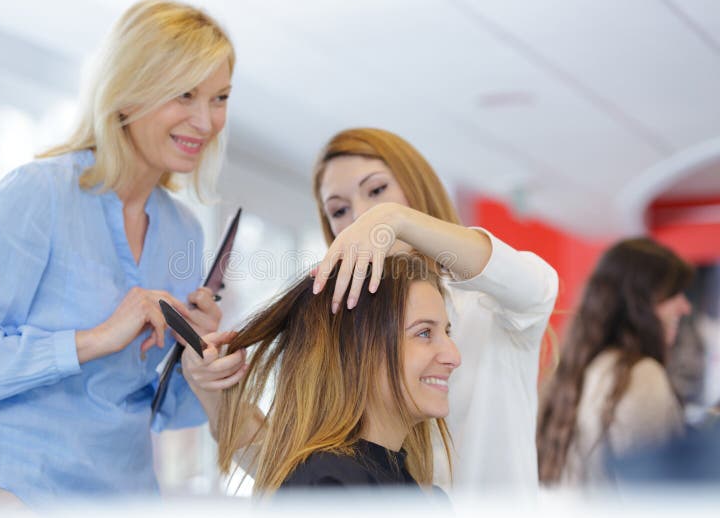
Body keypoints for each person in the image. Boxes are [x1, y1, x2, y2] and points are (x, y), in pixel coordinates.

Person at [0, 0, 233, 513]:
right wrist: (94, 339)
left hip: (125, 495)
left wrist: (196, 358)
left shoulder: (182, 231)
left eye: (220, 97)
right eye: (185, 94)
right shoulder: (36, 195)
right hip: (17, 489)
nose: (206, 120)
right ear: (128, 94)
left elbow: (164, 410)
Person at [185, 127, 559, 494]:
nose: (360, 217)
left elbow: (536, 286)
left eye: (377, 192)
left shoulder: (489, 306)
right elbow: (293, 462)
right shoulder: (350, 334)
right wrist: (213, 393)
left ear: (417, 191)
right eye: (340, 210)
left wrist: (392, 220)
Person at [207, 255, 459, 494]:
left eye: (447, 333)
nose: (454, 356)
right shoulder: (326, 486)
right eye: (424, 333)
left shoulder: (414, 491)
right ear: (358, 352)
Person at [536, 238, 693, 486]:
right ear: (641, 300)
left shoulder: (581, 371)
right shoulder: (640, 376)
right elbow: (654, 495)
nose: (685, 306)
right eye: (673, 293)